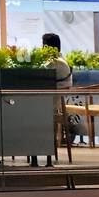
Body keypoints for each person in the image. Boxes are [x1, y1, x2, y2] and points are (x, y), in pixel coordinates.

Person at [35, 32, 72, 168]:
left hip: (51, 105)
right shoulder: (60, 61)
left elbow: (37, 74)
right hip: (51, 102)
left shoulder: (55, 63)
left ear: (47, 47)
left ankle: (35, 153)